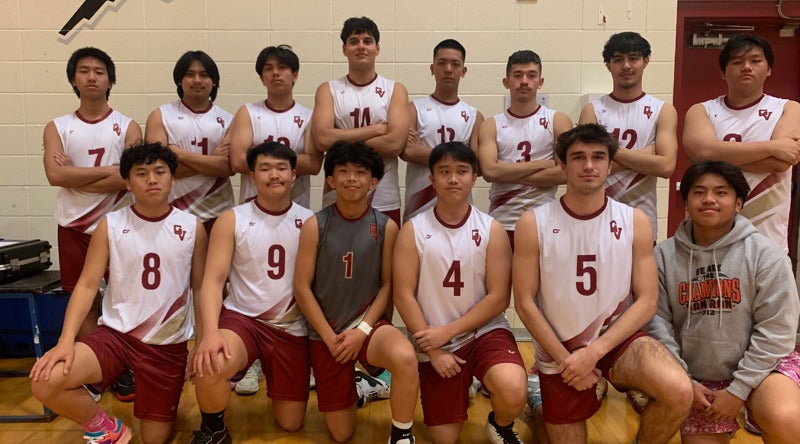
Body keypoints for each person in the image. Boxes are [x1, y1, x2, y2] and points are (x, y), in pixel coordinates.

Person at [512, 123, 692, 444]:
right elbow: (524, 302)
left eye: (598, 157)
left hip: (617, 342)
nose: (589, 166)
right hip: (561, 351)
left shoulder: (634, 221)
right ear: (562, 165)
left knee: (679, 391)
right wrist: (570, 361)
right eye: (578, 157)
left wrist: (592, 354)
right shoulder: (533, 223)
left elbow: (647, 300)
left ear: (611, 165)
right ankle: (538, 403)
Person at [30, 142, 207, 444]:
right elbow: (86, 285)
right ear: (127, 182)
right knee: (45, 380)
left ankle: (158, 407)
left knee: (155, 438)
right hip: (115, 337)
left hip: (166, 346)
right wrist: (65, 342)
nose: (152, 179)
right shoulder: (110, 225)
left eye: (160, 172)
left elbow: (203, 289)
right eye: (141, 173)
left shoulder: (193, 227)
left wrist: (201, 341)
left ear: (172, 178)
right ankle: (105, 427)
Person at [648, 160, 800, 443]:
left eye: (721, 192)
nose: (708, 199)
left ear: (739, 203)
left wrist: (739, 389)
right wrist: (685, 381)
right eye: (698, 192)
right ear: (686, 202)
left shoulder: (766, 255)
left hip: (764, 370)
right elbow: (658, 327)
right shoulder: (663, 257)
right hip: (699, 381)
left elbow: (778, 331)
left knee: (785, 416)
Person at [393, 142, 526, 444]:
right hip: (435, 340)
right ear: (432, 179)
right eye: (444, 172)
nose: (453, 179)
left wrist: (448, 332)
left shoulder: (491, 229)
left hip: (483, 332)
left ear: (474, 177)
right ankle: (464, 385)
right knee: (444, 438)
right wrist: (434, 349)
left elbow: (499, 297)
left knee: (512, 389)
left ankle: (500, 424)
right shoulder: (413, 230)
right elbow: (403, 295)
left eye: (461, 171)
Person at [293, 141, 418, 443]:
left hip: (367, 327)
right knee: (341, 434)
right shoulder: (315, 225)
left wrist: (362, 330)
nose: (352, 178)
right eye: (344, 172)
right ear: (331, 181)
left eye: (360, 172)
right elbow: (301, 287)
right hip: (328, 334)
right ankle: (361, 383)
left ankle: (402, 435)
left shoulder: (386, 226)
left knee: (405, 356)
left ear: (373, 183)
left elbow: (388, 286)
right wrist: (328, 336)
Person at [189, 142, 314, 444]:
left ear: (294, 175)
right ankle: (213, 428)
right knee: (210, 364)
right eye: (265, 168)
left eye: (281, 168)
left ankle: (262, 369)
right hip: (243, 321)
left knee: (291, 423)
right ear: (251, 175)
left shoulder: (310, 221)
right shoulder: (232, 219)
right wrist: (208, 333)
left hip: (290, 328)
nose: (274, 175)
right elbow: (213, 281)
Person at [42, 47, 142, 339]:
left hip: (118, 226)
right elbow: (55, 175)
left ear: (110, 81)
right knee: (83, 299)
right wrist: (111, 171)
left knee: (124, 297)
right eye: (84, 71)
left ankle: (124, 362)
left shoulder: (128, 126)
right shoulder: (57, 127)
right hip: (73, 225)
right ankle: (93, 364)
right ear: (73, 79)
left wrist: (75, 176)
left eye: (99, 72)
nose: (92, 77)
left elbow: (131, 178)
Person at [683, 33, 800, 254]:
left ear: (769, 69)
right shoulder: (701, 110)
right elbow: (702, 150)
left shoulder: (789, 108)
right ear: (723, 72)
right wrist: (773, 147)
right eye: (737, 62)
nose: (746, 67)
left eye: (755, 61)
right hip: (708, 239)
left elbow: (781, 163)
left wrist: (715, 157)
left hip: (767, 239)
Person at [578, 31, 678, 240]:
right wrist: (647, 155)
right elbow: (587, 164)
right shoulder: (592, 110)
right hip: (597, 217)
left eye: (633, 58)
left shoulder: (663, 110)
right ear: (608, 65)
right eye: (618, 60)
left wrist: (608, 152)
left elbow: (666, 167)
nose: (626, 66)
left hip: (642, 221)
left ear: (646, 61)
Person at [312, 16, 409, 226]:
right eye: (354, 41)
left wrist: (339, 139)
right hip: (337, 194)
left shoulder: (395, 90)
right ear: (344, 48)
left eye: (367, 41)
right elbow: (321, 139)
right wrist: (376, 129)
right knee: (336, 257)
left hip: (383, 195)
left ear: (377, 48)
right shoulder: (328, 90)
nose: (361, 46)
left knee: (384, 259)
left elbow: (394, 144)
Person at [477, 50, 571, 246]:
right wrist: (542, 164)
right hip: (502, 221)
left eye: (531, 75)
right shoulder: (491, 124)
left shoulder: (557, 120)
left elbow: (564, 174)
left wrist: (507, 172)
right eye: (518, 75)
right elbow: (489, 171)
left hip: (544, 220)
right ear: (506, 82)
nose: (524, 81)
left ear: (540, 81)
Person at [145, 50, 234, 237]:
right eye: (189, 74)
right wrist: (211, 163)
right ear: (179, 80)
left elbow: (228, 167)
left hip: (217, 211)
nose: (197, 80)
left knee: (214, 267)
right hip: (171, 211)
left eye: (204, 75)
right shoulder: (160, 115)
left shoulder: (228, 120)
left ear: (214, 81)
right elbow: (159, 169)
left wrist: (178, 154)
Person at [228, 44, 321, 207]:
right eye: (269, 68)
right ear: (262, 78)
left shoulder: (309, 117)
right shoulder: (247, 112)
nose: (275, 73)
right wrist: (294, 161)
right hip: (252, 207)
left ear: (295, 75)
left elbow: (313, 164)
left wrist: (260, 160)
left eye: (282, 67)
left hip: (296, 206)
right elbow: (237, 161)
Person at [402, 39, 484, 222]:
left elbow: (477, 163)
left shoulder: (474, 116)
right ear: (432, 68)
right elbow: (408, 151)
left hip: (460, 211)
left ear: (463, 71)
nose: (448, 69)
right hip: (419, 208)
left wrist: (423, 151)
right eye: (442, 63)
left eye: (455, 64)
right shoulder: (413, 109)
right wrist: (461, 157)